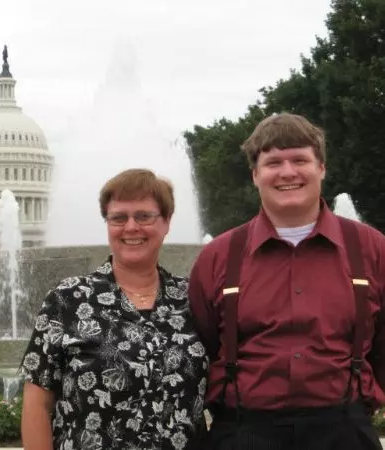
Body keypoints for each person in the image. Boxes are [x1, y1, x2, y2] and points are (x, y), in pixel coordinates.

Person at [188, 113, 385, 450]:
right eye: (273, 162)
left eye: (300, 159)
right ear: (255, 174)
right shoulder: (218, 256)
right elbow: (202, 347)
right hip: (244, 430)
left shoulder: (372, 248)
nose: (288, 172)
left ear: (321, 168)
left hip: (344, 430)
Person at [20, 168, 208, 450]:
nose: (131, 227)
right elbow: (37, 402)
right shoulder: (68, 300)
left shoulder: (193, 298)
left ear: (166, 222)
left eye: (144, 216)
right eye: (119, 217)